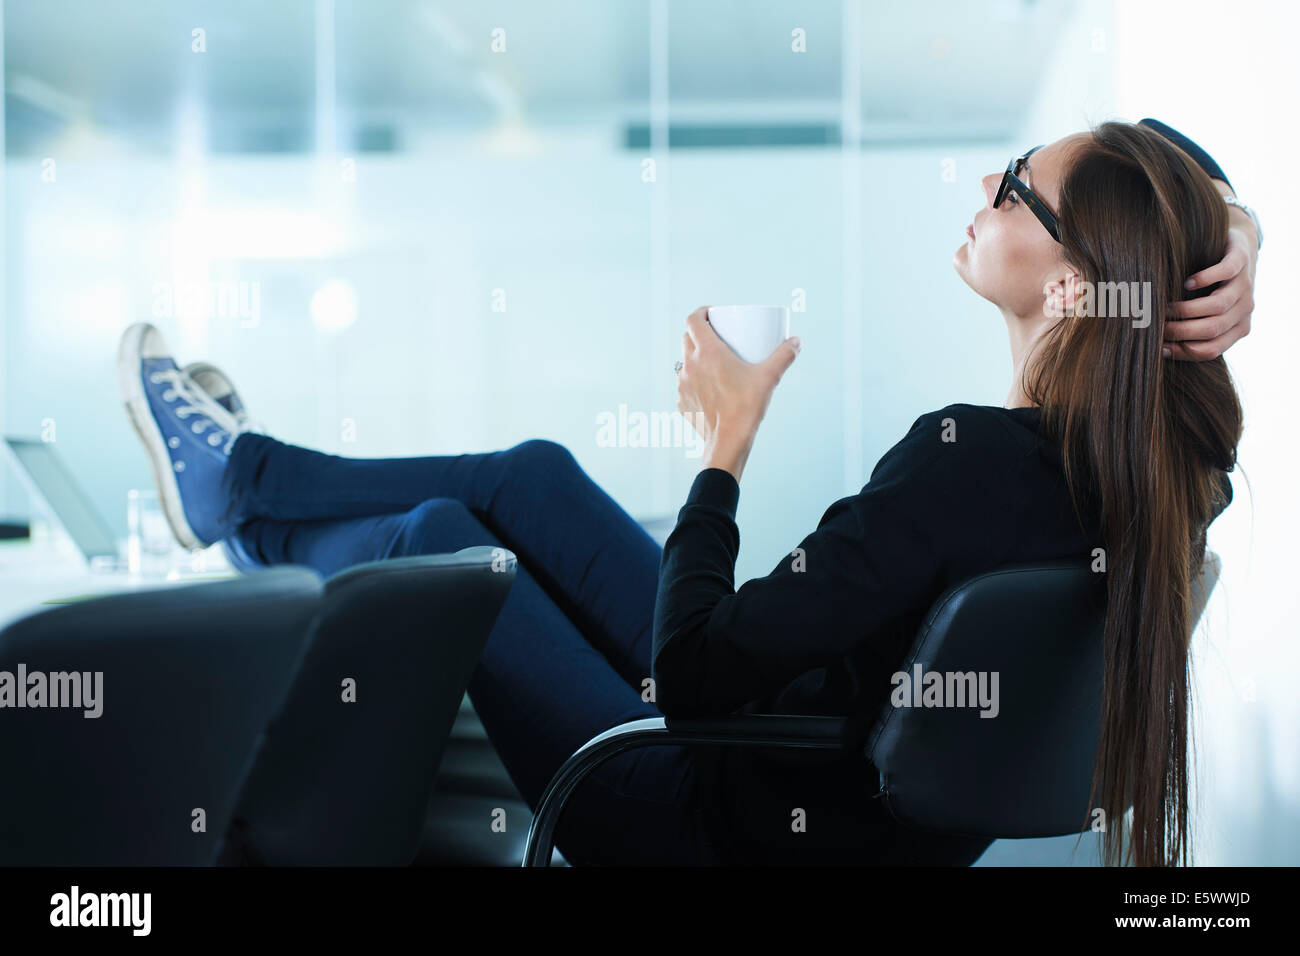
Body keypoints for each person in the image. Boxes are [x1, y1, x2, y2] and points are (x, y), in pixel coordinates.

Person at [118, 117, 1256, 867]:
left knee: (442, 536)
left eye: (1014, 188)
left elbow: (693, 670)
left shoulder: (964, 458)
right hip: (788, 750)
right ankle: (239, 485)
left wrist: (725, 441)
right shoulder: (1169, 479)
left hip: (698, 810)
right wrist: (1236, 234)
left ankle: (235, 496)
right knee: (533, 475)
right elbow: (1171, 185)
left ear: (1065, 285)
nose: (982, 185)